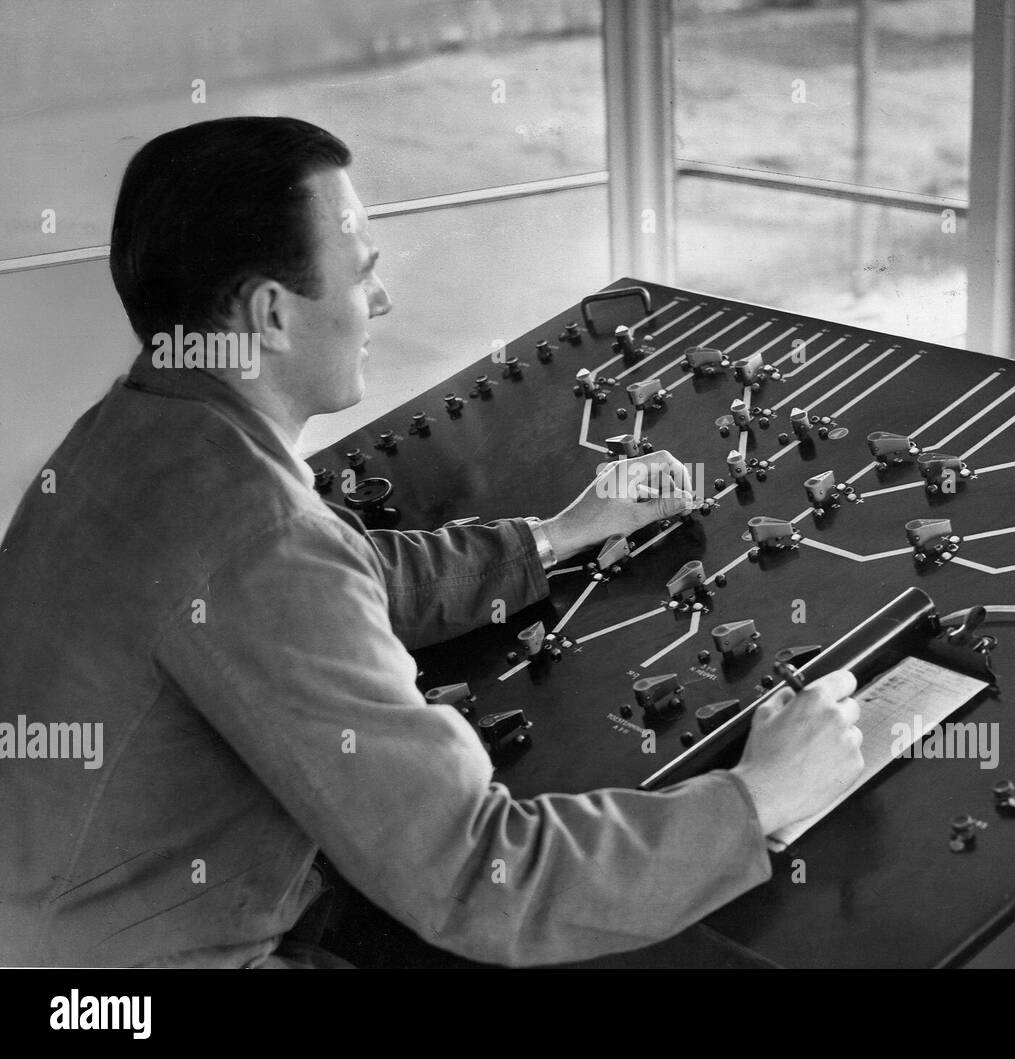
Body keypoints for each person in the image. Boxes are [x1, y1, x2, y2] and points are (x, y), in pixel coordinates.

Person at [0, 116, 864, 968]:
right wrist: (756, 801)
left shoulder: (130, 433)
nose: (381, 300)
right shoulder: (263, 542)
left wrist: (560, 533)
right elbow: (480, 878)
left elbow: (346, 571)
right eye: (362, 274)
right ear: (270, 312)